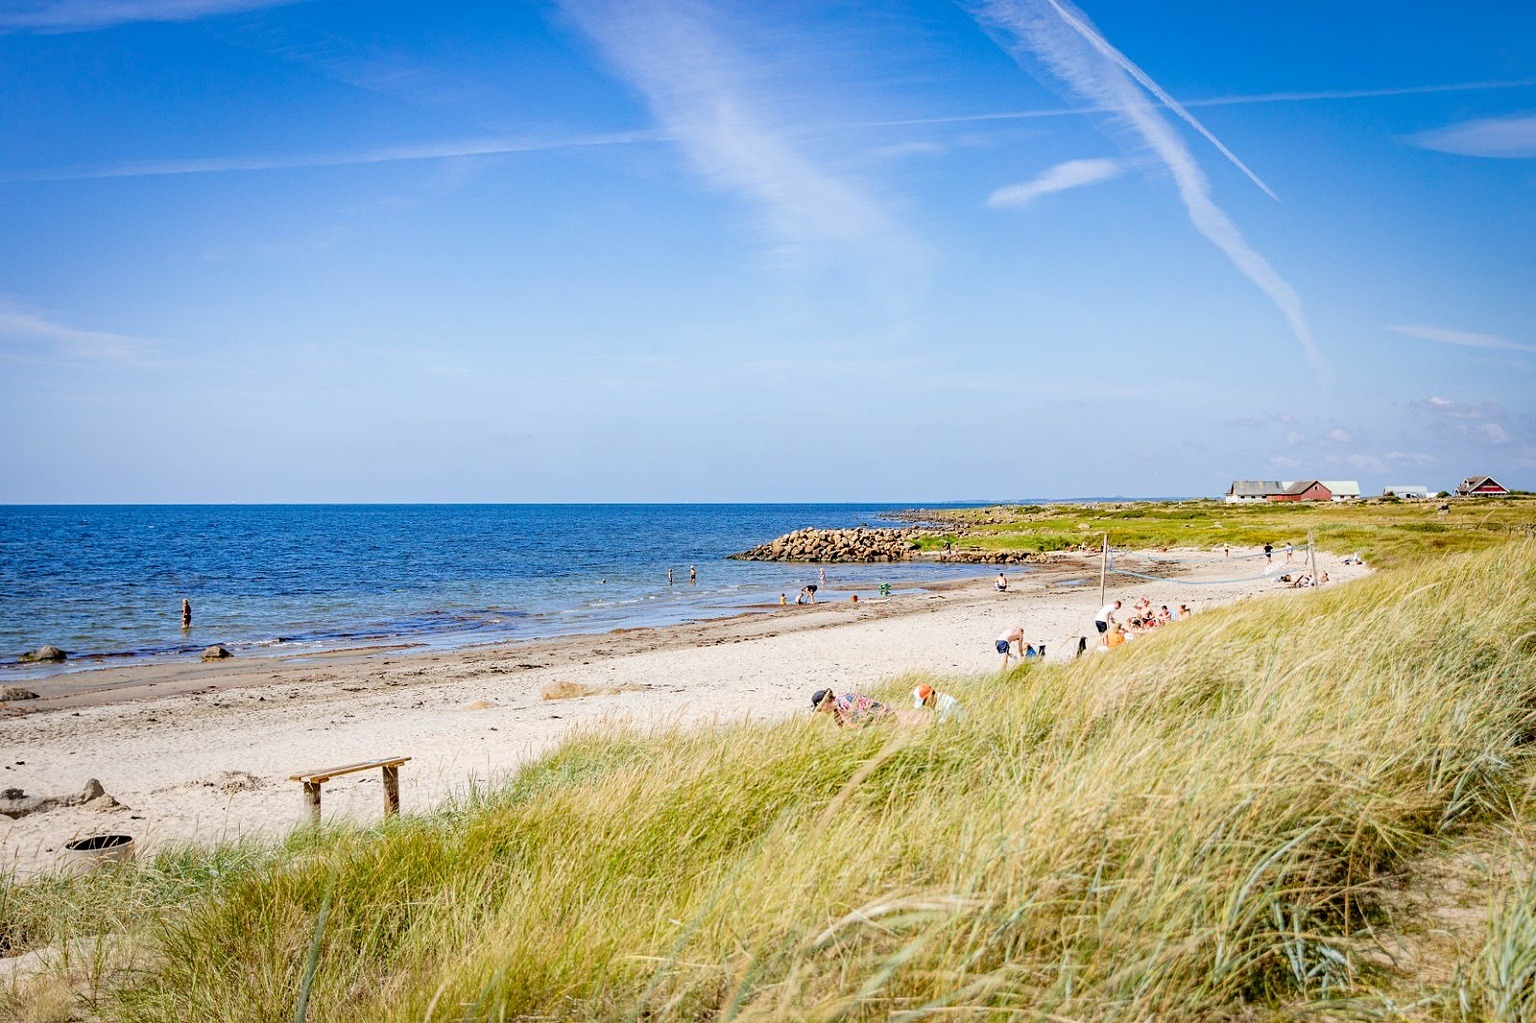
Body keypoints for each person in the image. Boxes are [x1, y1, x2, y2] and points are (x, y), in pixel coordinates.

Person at [812, 688, 890, 727]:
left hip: (886, 717)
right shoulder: (838, 710)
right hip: (880, 720)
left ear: (825, 703)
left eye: (819, 709)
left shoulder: (845, 701)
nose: (821, 711)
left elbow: (862, 721)